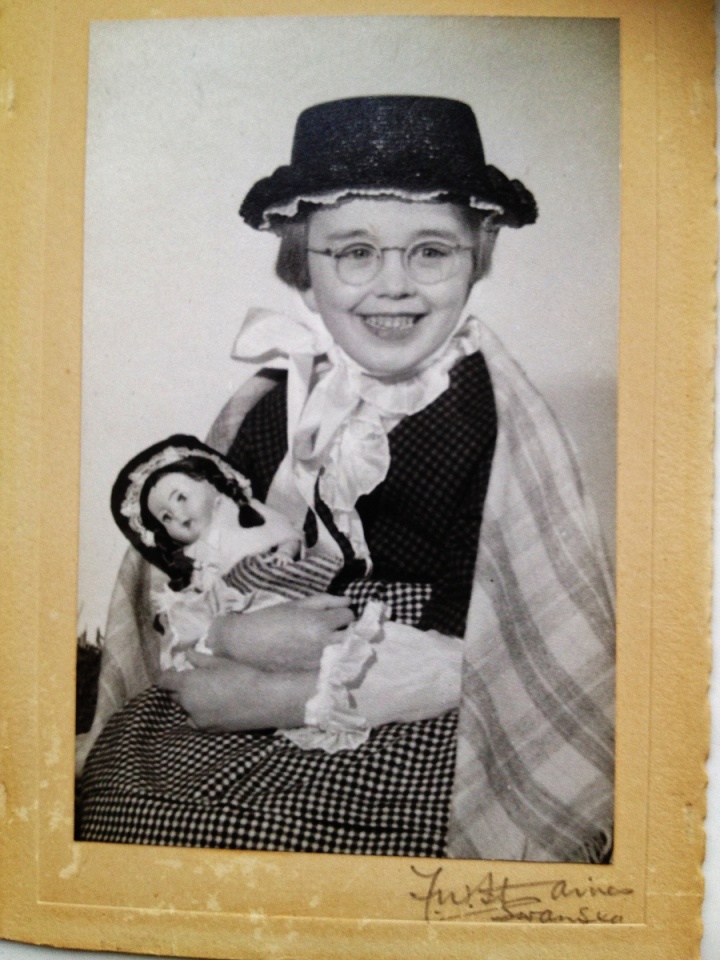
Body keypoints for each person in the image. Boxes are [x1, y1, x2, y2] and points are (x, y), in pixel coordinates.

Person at [78, 95, 615, 860]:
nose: (393, 285)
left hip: (419, 668)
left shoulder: (486, 417)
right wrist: (233, 631)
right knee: (127, 803)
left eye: (431, 251)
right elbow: (212, 558)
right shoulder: (273, 401)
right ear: (304, 262)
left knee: (393, 838)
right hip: (268, 633)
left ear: (477, 254)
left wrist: (287, 688)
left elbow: (478, 638)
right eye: (354, 252)